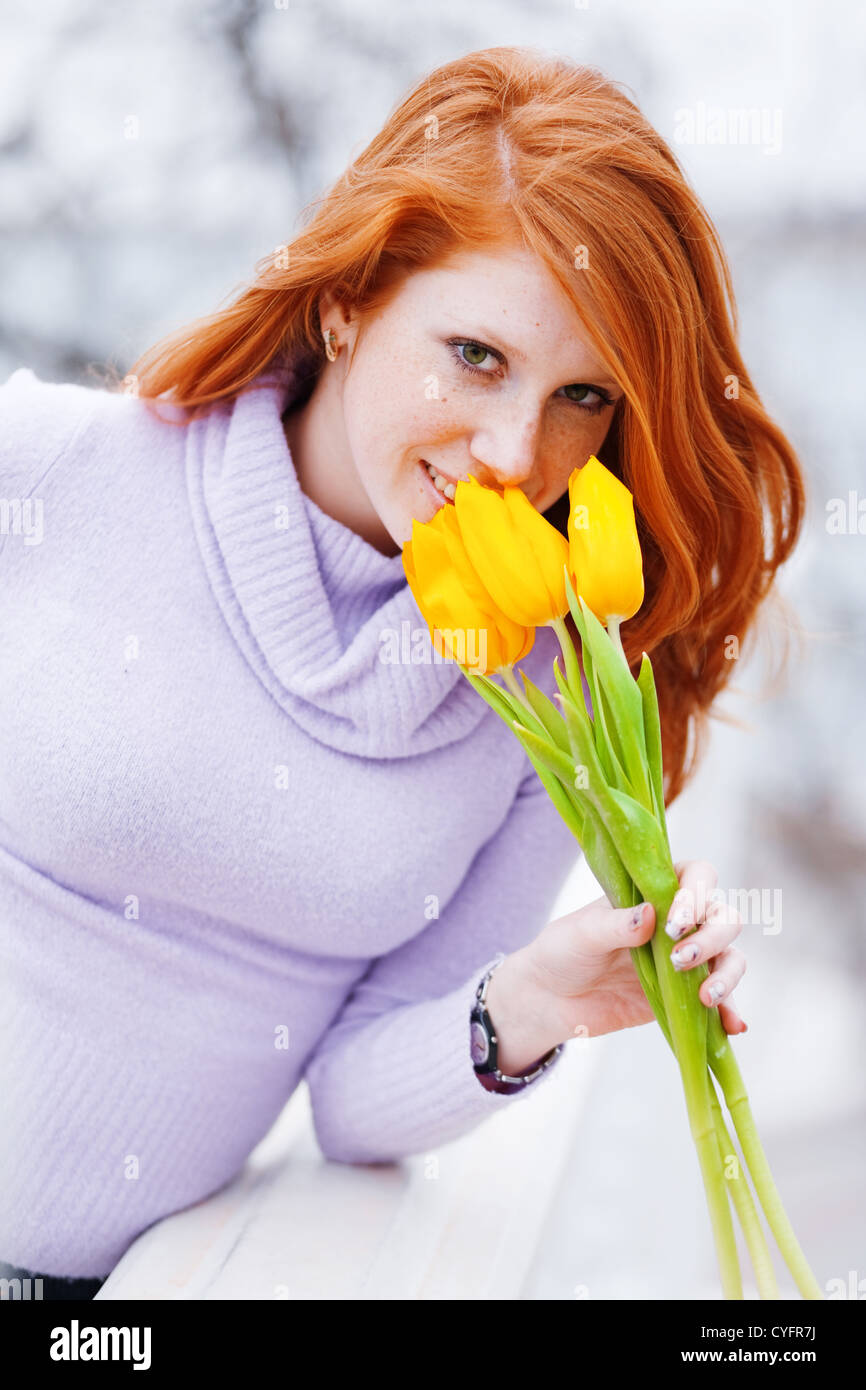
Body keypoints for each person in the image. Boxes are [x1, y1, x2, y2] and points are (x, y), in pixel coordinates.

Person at [0, 46, 804, 1299]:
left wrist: (532, 1001)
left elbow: (353, 1096)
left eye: (580, 394)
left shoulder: (550, 695)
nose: (510, 450)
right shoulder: (55, 473)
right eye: (475, 354)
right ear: (346, 302)